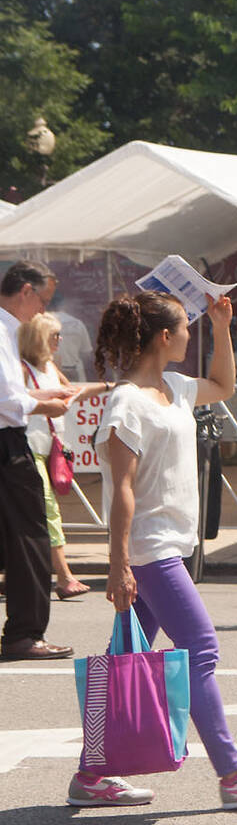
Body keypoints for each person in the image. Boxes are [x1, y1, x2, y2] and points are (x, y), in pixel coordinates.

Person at [81, 291, 237, 808]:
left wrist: (223, 327)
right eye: (186, 328)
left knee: (122, 662)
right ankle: (233, 773)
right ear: (163, 336)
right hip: (147, 551)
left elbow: (223, 385)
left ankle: (90, 775)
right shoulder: (127, 401)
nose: (189, 334)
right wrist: (117, 565)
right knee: (200, 648)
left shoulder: (174, 387)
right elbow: (123, 489)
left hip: (167, 546)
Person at [0, 260, 77, 663]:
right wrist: (43, 404)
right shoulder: (3, 331)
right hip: (7, 443)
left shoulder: (10, 333)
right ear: (26, 292)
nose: (43, 314)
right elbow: (8, 401)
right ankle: (25, 633)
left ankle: (24, 632)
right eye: (42, 302)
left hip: (10, 436)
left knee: (23, 534)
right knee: (30, 536)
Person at [20, 311, 106, 601]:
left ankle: (32, 573)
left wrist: (108, 387)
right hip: (27, 448)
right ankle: (64, 576)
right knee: (48, 511)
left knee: (39, 512)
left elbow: (72, 392)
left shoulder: (49, 366)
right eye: (54, 335)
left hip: (47, 447)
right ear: (40, 338)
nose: (59, 340)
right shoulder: (21, 368)